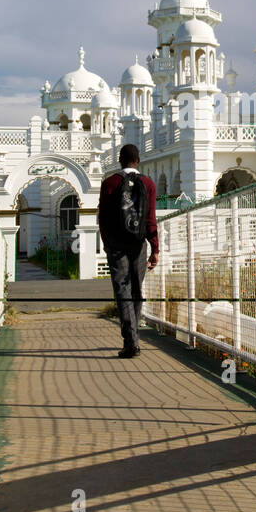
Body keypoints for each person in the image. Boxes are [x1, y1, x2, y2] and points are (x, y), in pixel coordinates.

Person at [98, 143, 159, 358]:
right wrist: (155, 248)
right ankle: (134, 337)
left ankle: (130, 341)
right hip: (138, 244)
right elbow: (150, 219)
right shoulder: (148, 184)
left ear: (120, 160)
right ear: (138, 160)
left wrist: (107, 242)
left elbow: (102, 218)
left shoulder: (110, 183)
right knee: (136, 290)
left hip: (116, 245)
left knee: (122, 291)